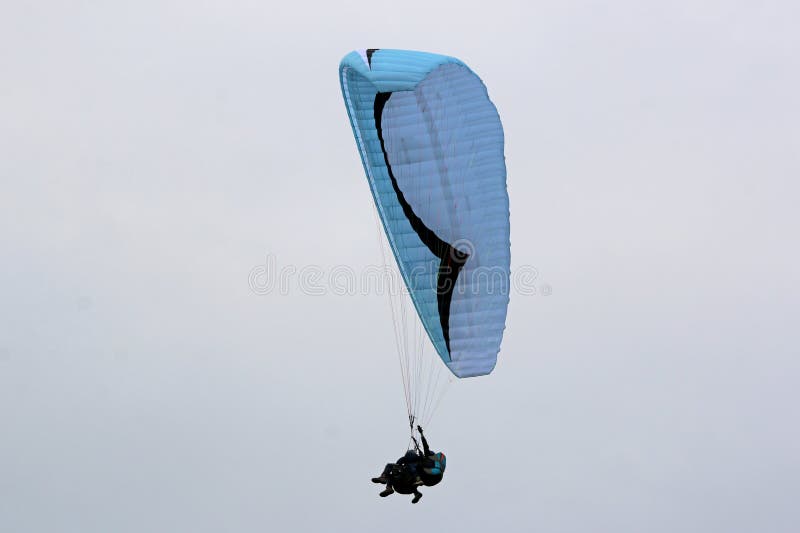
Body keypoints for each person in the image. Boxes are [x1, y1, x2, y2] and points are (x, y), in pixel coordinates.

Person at [371, 426, 446, 503]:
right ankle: (389, 486)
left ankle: (386, 480)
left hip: (411, 482)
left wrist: (422, 434)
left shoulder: (422, 460)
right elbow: (400, 463)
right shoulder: (414, 462)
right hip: (407, 485)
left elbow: (425, 446)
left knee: (401, 467)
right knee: (393, 471)